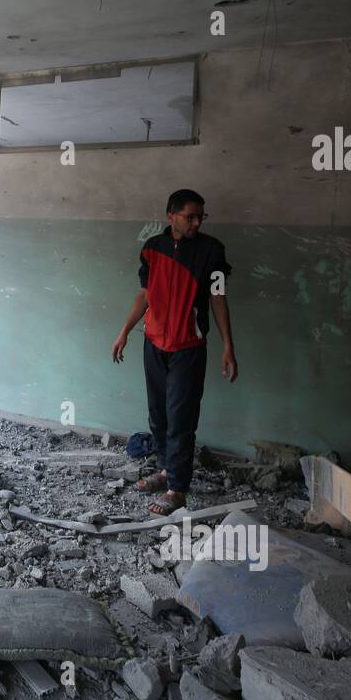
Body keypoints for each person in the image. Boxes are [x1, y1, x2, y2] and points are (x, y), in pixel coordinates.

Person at [111, 189, 238, 515]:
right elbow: (144, 294)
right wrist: (125, 331)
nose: (196, 222)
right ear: (171, 216)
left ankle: (178, 489)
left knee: (181, 418)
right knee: (158, 414)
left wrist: (228, 345)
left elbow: (218, 297)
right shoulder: (152, 248)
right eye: (190, 216)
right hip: (153, 343)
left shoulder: (212, 250)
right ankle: (167, 470)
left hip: (188, 348)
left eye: (200, 217)